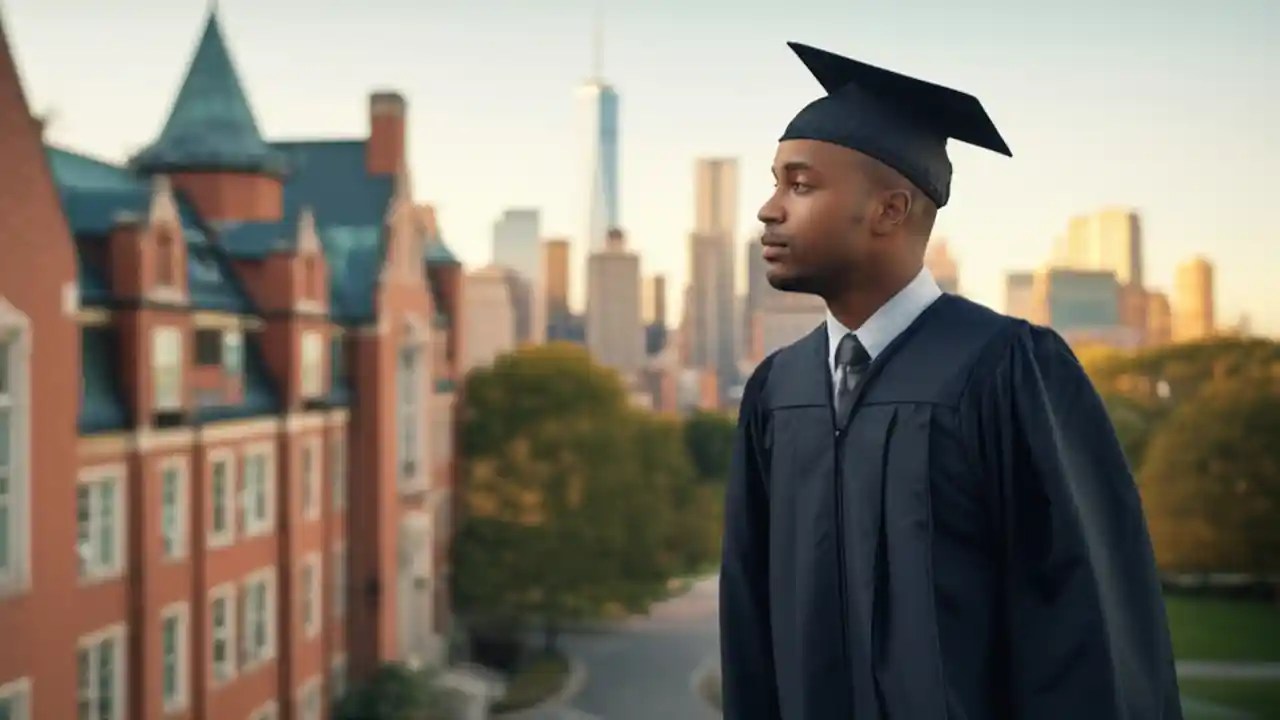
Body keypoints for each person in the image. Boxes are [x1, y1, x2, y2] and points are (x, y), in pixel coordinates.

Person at [719, 41, 1183, 719]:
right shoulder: (777, 390)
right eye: (775, 182)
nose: (768, 209)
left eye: (800, 184)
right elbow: (749, 623)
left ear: (890, 210)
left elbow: (1087, 622)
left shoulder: (1008, 370)